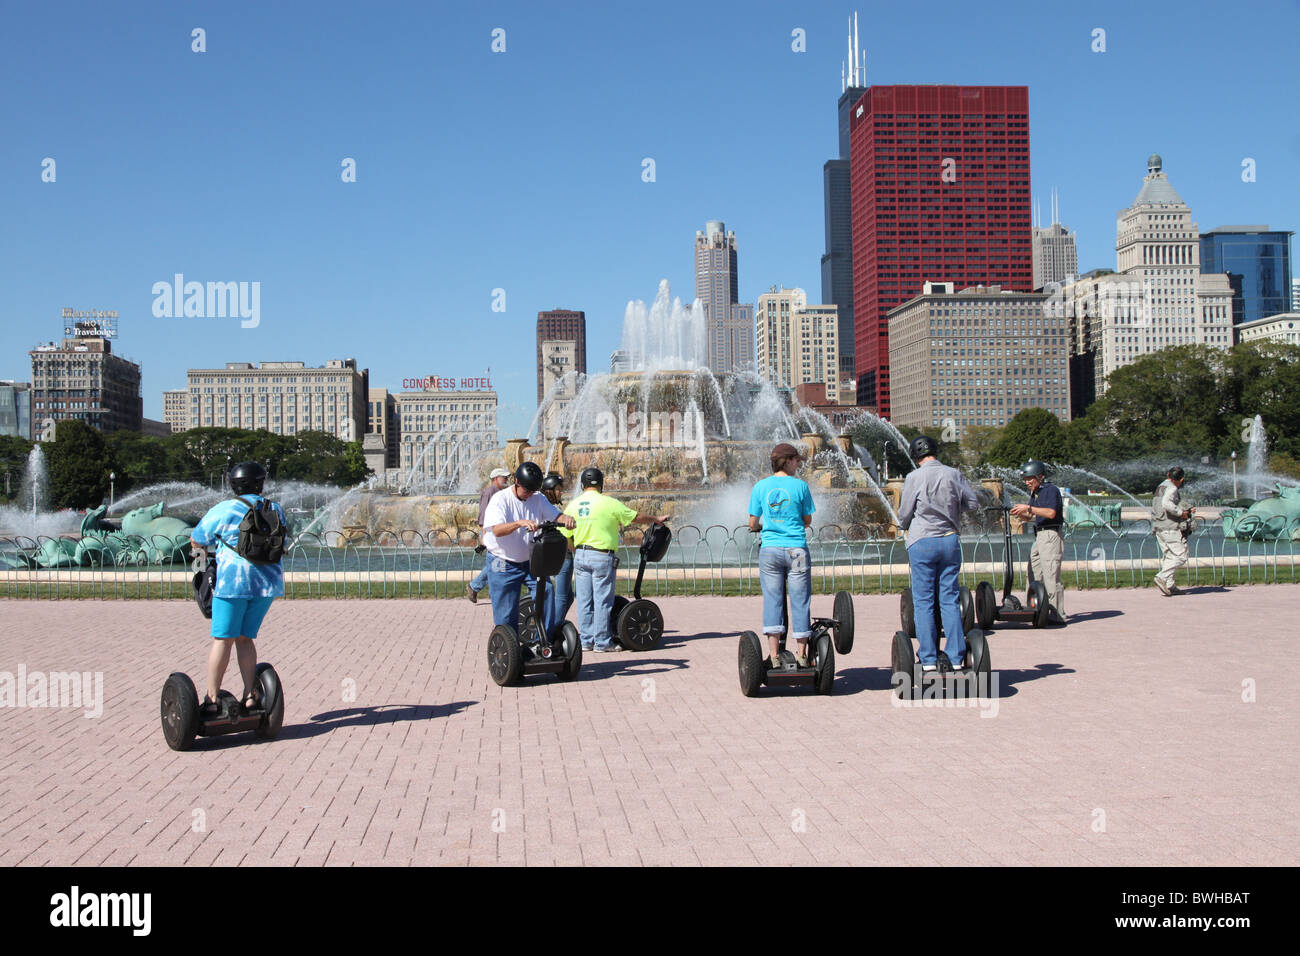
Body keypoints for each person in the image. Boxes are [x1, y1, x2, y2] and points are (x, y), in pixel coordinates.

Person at [188, 461, 290, 715]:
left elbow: (196, 539)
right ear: (260, 483)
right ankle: (250, 696)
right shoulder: (274, 508)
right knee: (245, 639)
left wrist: (206, 559)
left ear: (232, 484)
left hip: (232, 585)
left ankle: (212, 699)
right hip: (266, 586)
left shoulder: (224, 508)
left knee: (222, 640)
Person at [897, 435, 980, 675]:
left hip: (922, 541)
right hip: (949, 540)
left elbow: (904, 516)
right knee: (949, 599)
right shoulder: (953, 473)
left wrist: (908, 521)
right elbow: (973, 504)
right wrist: (953, 509)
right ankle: (955, 657)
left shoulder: (914, 477)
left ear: (915, 456)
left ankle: (929, 659)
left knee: (923, 601)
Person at [563, 466, 668, 652]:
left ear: (583, 485)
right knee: (603, 600)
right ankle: (602, 642)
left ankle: (586, 641)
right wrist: (655, 519)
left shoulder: (573, 505)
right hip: (602, 556)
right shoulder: (608, 503)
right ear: (601, 484)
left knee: (585, 600)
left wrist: (577, 551)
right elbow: (635, 517)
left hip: (581, 554)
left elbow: (565, 534)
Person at [481, 461, 576, 637]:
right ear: (516, 482)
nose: (529, 495)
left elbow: (555, 515)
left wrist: (566, 519)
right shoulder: (500, 500)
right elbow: (496, 530)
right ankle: (509, 650)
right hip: (503, 562)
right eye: (527, 491)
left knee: (547, 592)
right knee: (506, 614)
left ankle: (543, 642)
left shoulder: (537, 498)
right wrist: (519, 523)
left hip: (530, 561)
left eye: (533, 491)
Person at [747, 443, 816, 668]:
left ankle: (775, 655)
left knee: (773, 600)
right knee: (800, 599)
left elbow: (752, 522)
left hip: (770, 551)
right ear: (787, 461)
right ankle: (802, 654)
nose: (798, 465)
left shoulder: (760, 486)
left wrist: (760, 527)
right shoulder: (800, 486)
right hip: (796, 549)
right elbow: (808, 520)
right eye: (796, 461)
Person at [1011, 460, 1067, 625]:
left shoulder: (1050, 490)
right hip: (1040, 536)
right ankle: (1035, 608)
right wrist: (1018, 514)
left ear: (1040, 476)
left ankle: (1057, 614)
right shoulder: (1036, 492)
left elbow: (1050, 513)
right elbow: (1031, 516)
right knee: (1033, 573)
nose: (1027, 482)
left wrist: (1028, 509)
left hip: (1050, 535)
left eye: (1030, 478)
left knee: (1051, 576)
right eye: (1026, 479)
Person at [466, 468, 512, 603]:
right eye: (503, 477)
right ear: (495, 479)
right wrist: (484, 536)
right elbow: (483, 515)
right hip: (492, 533)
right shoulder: (489, 493)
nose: (506, 479)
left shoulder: (502, 492)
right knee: (498, 562)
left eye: (506, 477)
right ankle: (477, 587)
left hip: (501, 531)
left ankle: (477, 587)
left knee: (499, 562)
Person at [1152, 466, 1193, 596]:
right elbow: (1166, 503)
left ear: (1168, 474)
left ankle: (1170, 585)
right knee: (1181, 555)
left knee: (1169, 556)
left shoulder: (1161, 486)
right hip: (1170, 527)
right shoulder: (1172, 488)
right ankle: (1162, 577)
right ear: (1181, 479)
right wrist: (1182, 513)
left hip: (1159, 526)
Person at [540, 472, 575, 625]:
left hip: (559, 554)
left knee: (568, 596)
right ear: (549, 490)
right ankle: (553, 628)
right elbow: (564, 535)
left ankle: (556, 623)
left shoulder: (548, 507)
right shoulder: (548, 508)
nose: (561, 492)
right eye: (558, 489)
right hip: (560, 556)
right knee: (561, 596)